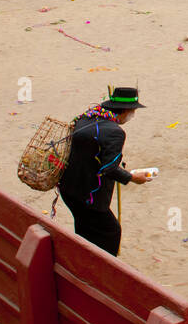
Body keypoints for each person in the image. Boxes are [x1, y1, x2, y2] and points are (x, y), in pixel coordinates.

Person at [58, 87, 153, 256]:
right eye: (132, 111)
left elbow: (92, 152)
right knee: (111, 232)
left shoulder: (87, 117)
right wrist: (132, 177)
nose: (132, 115)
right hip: (89, 196)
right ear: (125, 110)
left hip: (69, 189)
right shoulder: (115, 133)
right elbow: (108, 169)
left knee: (85, 231)